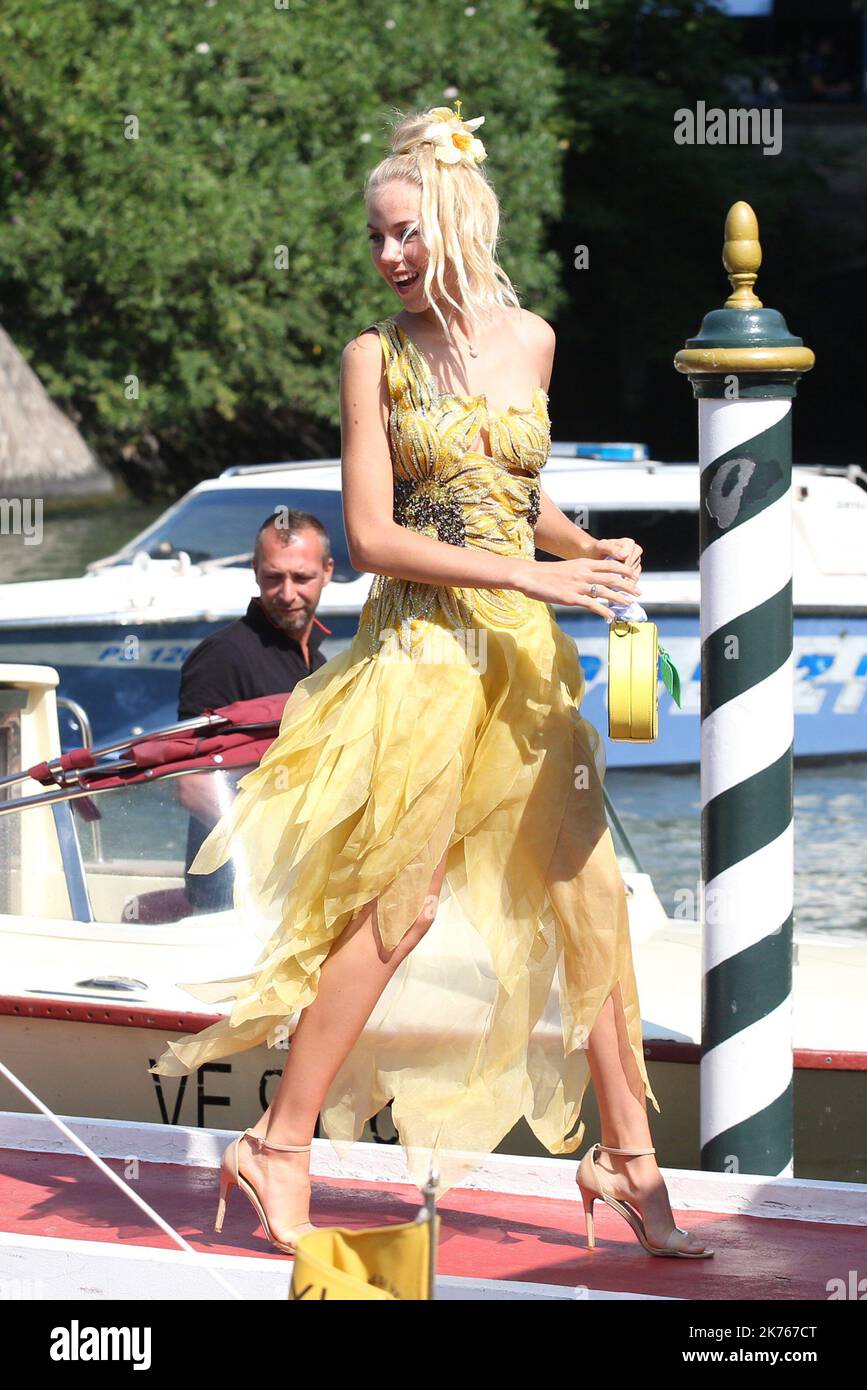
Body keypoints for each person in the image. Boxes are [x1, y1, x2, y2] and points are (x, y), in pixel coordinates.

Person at [150, 101, 713, 1259]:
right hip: (425, 656)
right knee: (397, 910)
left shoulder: (533, 340)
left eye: (406, 233)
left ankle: (628, 1158)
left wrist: (583, 551)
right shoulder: (377, 357)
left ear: (455, 224)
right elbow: (371, 540)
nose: (389, 256)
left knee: (588, 902)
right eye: (375, 239)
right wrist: (534, 575)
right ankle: (279, 1142)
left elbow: (512, 492)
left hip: (521, 655)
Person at [175, 509, 333, 912]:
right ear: (255, 571)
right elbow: (191, 785)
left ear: (327, 571)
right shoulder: (223, 656)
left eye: (302, 578)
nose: (287, 593)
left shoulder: (320, 664)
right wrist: (283, 843)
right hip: (231, 894)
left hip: (293, 886)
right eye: (273, 577)